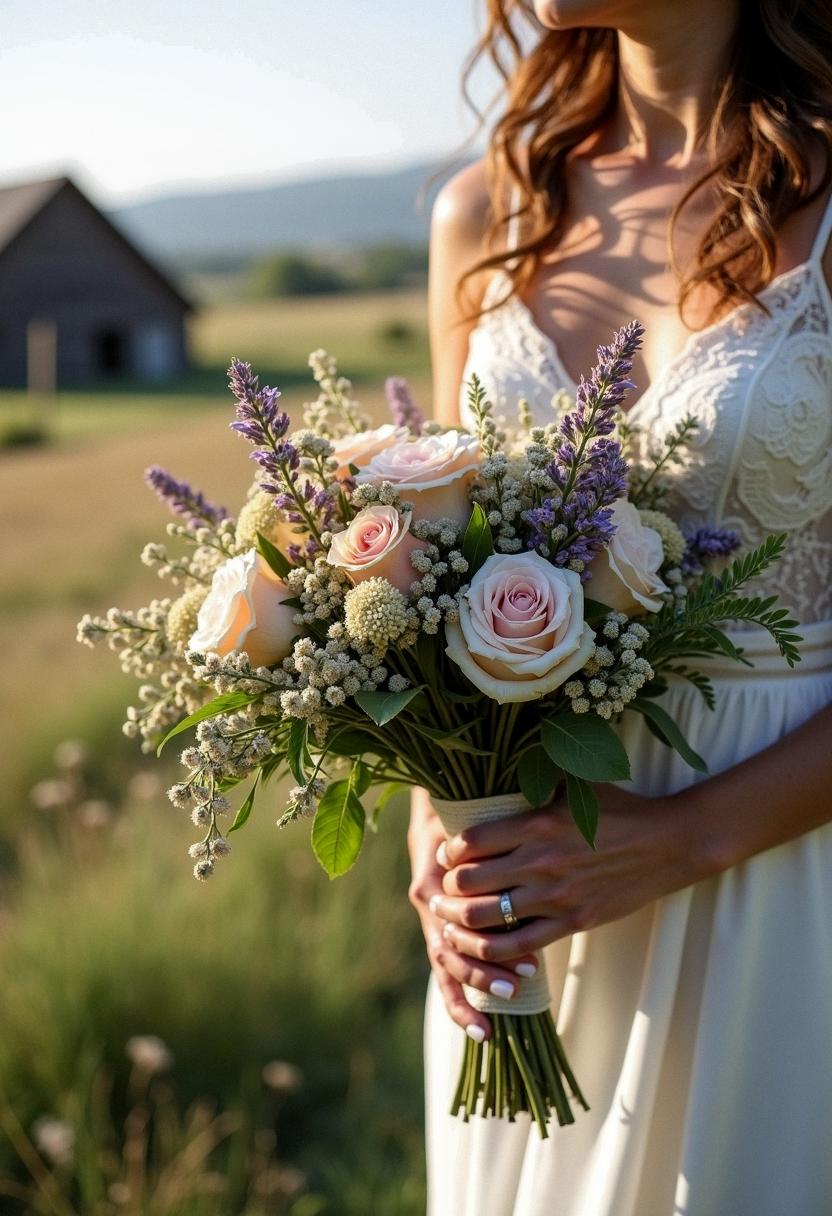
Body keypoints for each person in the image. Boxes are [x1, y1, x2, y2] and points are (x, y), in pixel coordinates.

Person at [407, 2, 832, 1213]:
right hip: (539, 914)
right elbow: (435, 585)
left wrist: (683, 837)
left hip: (786, 883)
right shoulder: (486, 213)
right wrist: (439, 860)